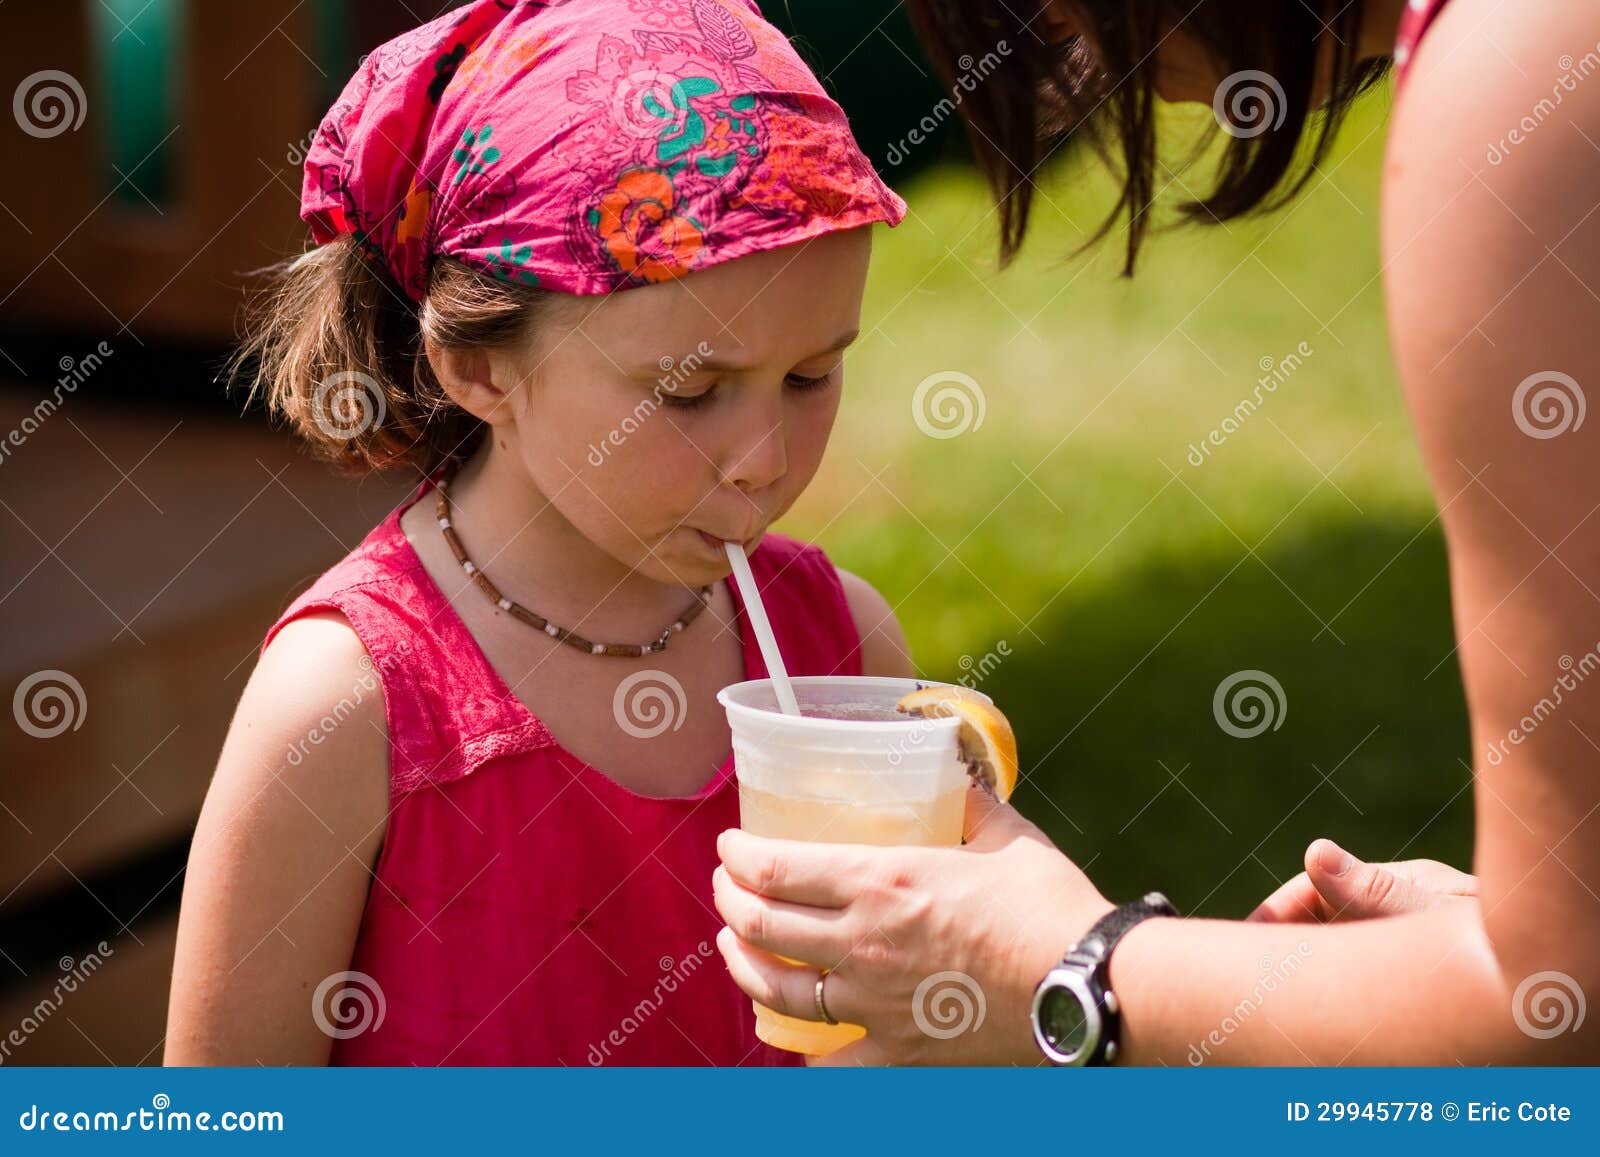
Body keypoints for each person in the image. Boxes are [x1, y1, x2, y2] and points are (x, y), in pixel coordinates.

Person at [714, 0, 1600, 1065]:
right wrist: (1448, 948)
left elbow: (1551, 1001)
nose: (1051, 39)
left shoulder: (1518, 74)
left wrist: (1056, 962)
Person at [164, 0, 914, 1065]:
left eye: (810, 375)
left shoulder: (841, 657)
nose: (763, 458)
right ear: (478, 366)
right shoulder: (348, 711)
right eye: (689, 390)